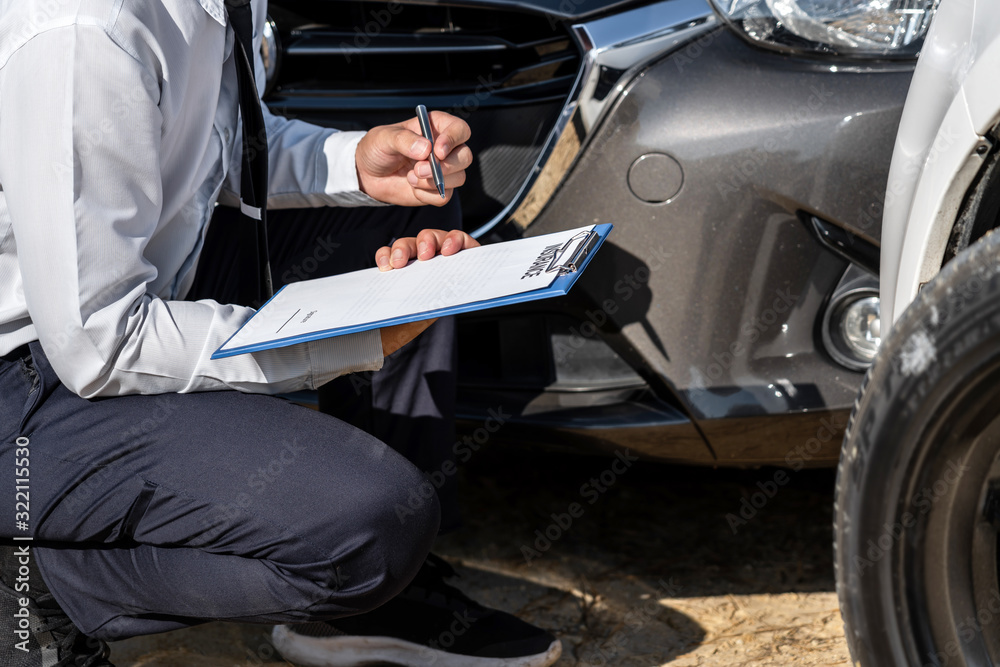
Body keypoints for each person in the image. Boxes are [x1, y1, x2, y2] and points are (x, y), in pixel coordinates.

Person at [0, 0, 562, 666]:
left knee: (399, 232)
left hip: (139, 288)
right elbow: (101, 342)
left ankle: (385, 604)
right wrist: (343, 341)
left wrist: (356, 162)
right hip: (29, 381)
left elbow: (215, 146)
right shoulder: (86, 32)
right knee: (373, 529)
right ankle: (45, 591)